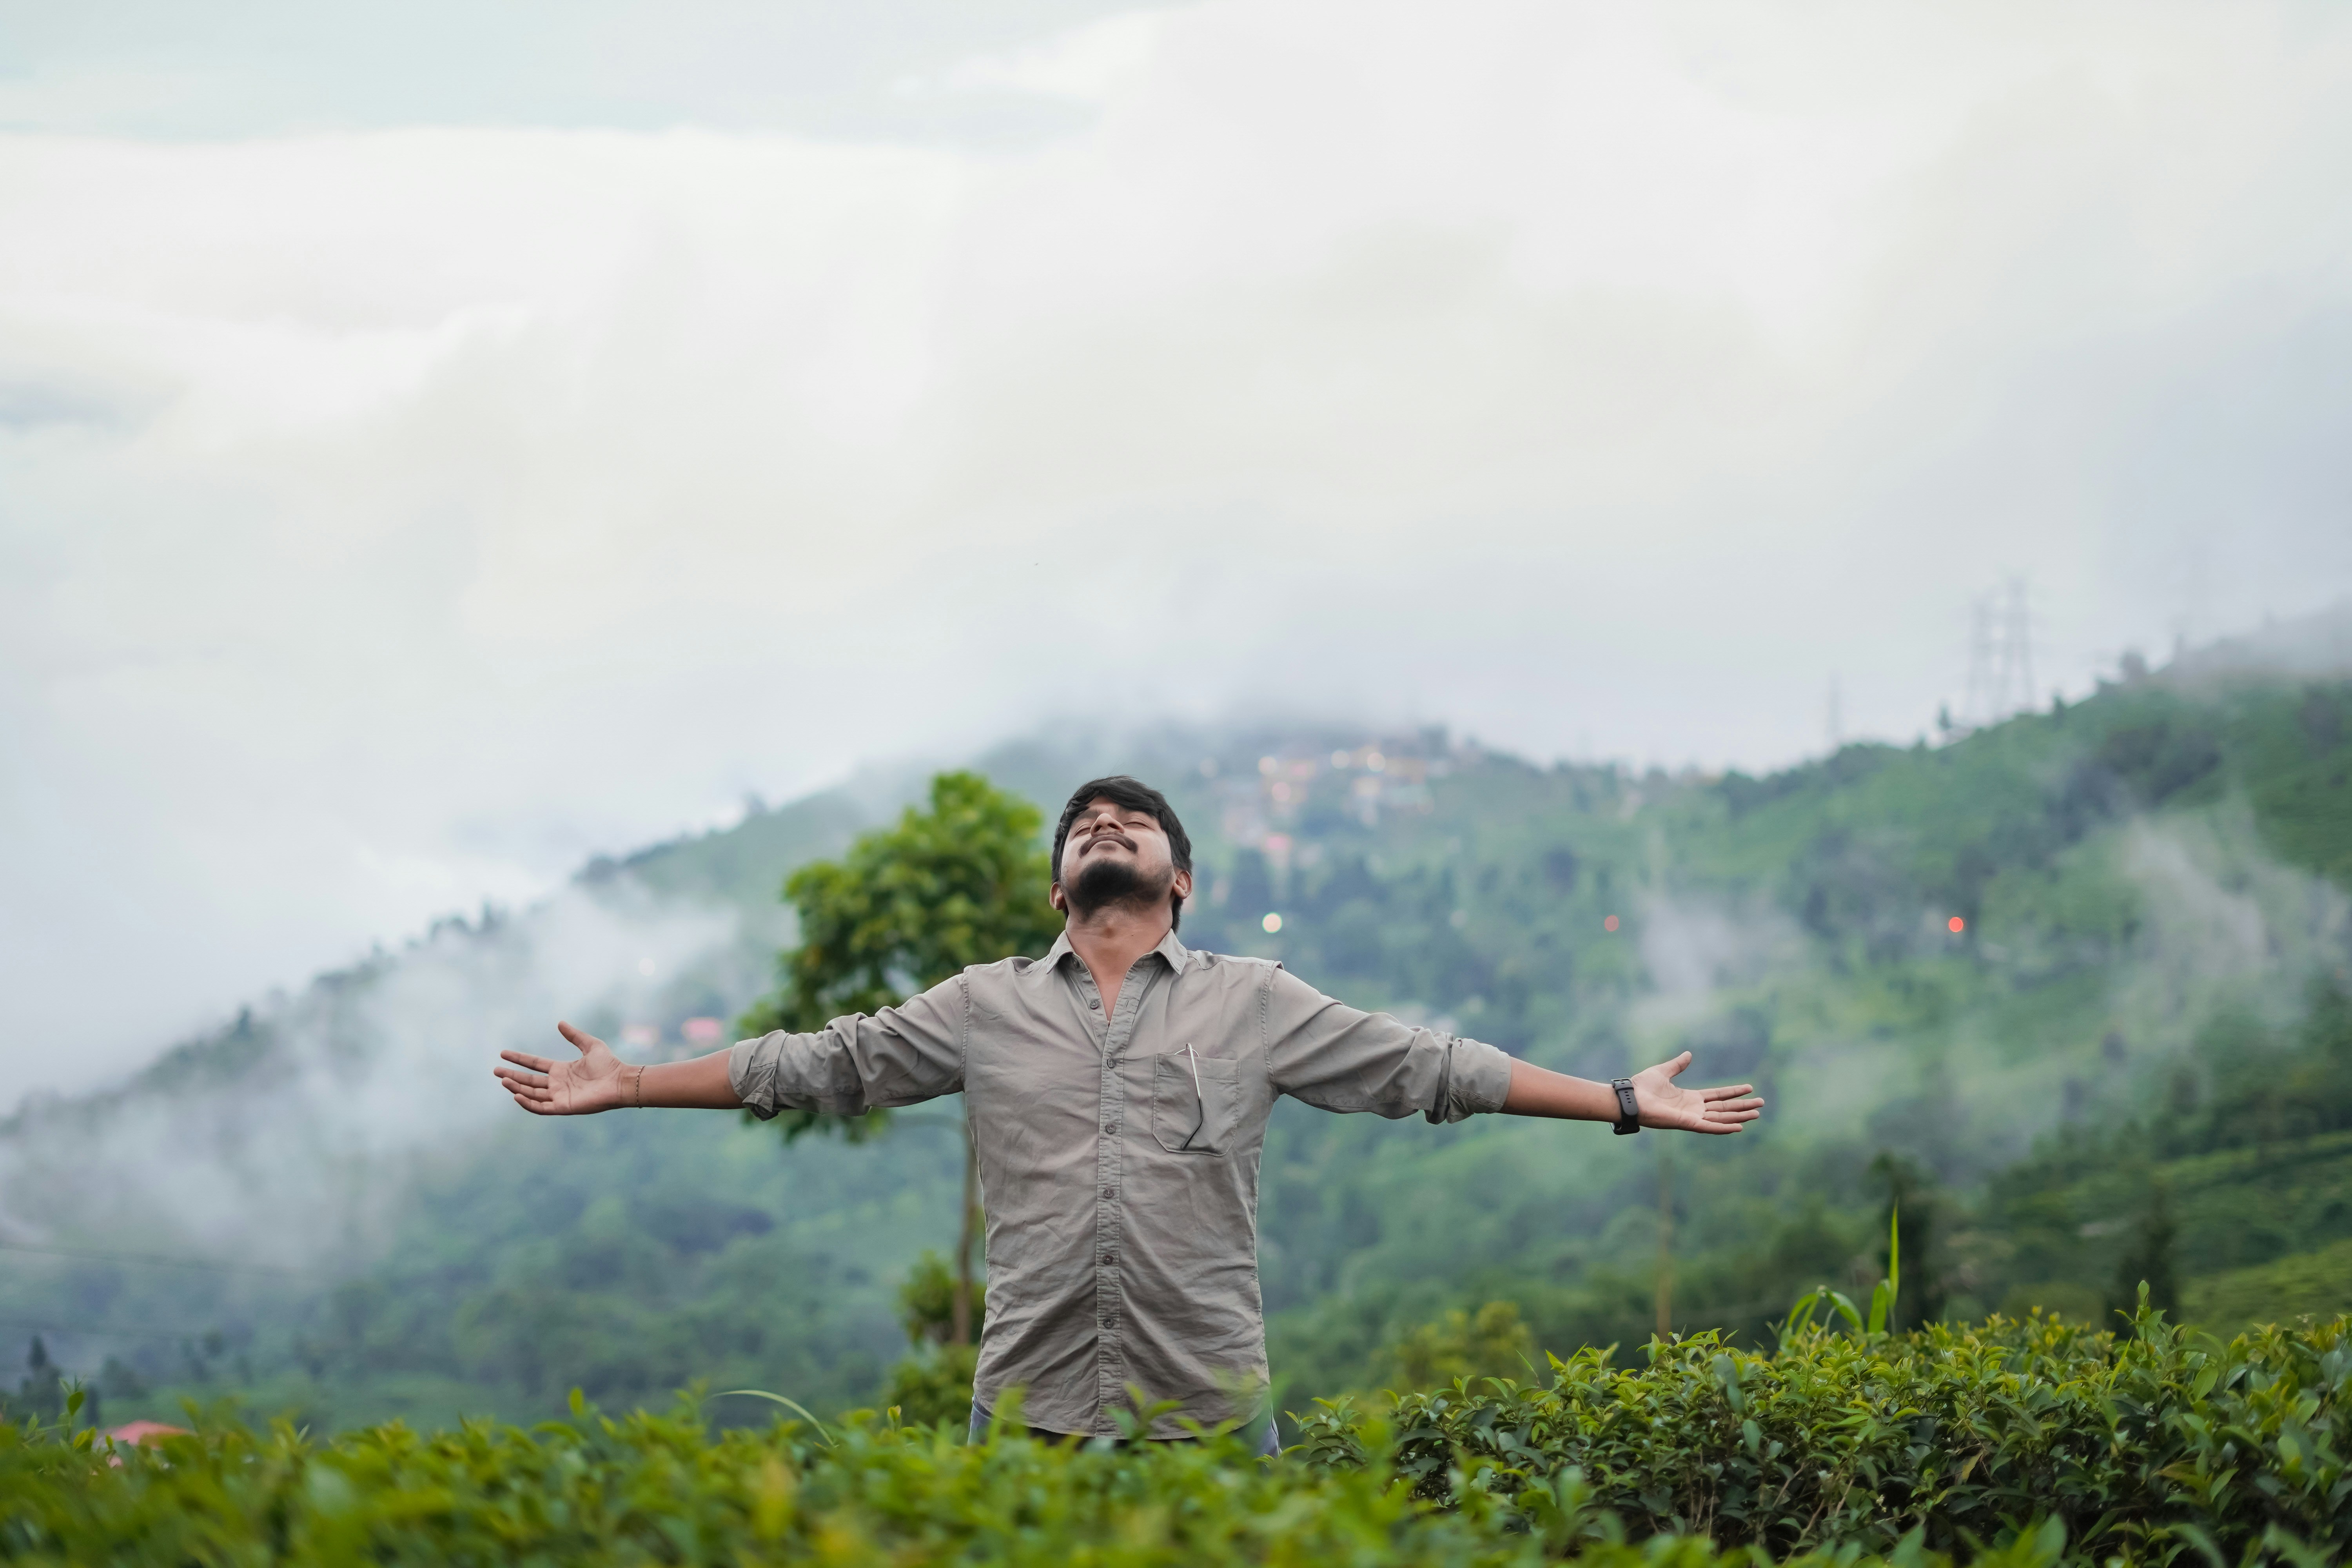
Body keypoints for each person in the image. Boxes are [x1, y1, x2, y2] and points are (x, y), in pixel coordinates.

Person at [495, 775, 1763, 1450]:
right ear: (1060, 888)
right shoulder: (983, 1006)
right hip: (1026, 1409)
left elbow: (1428, 1069)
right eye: (1086, 827)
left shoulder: (1257, 1001)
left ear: (1181, 879)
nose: (1107, 827)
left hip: (1209, 1409)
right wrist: (635, 1083)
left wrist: (1619, 1104)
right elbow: (817, 1064)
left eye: (1134, 822)